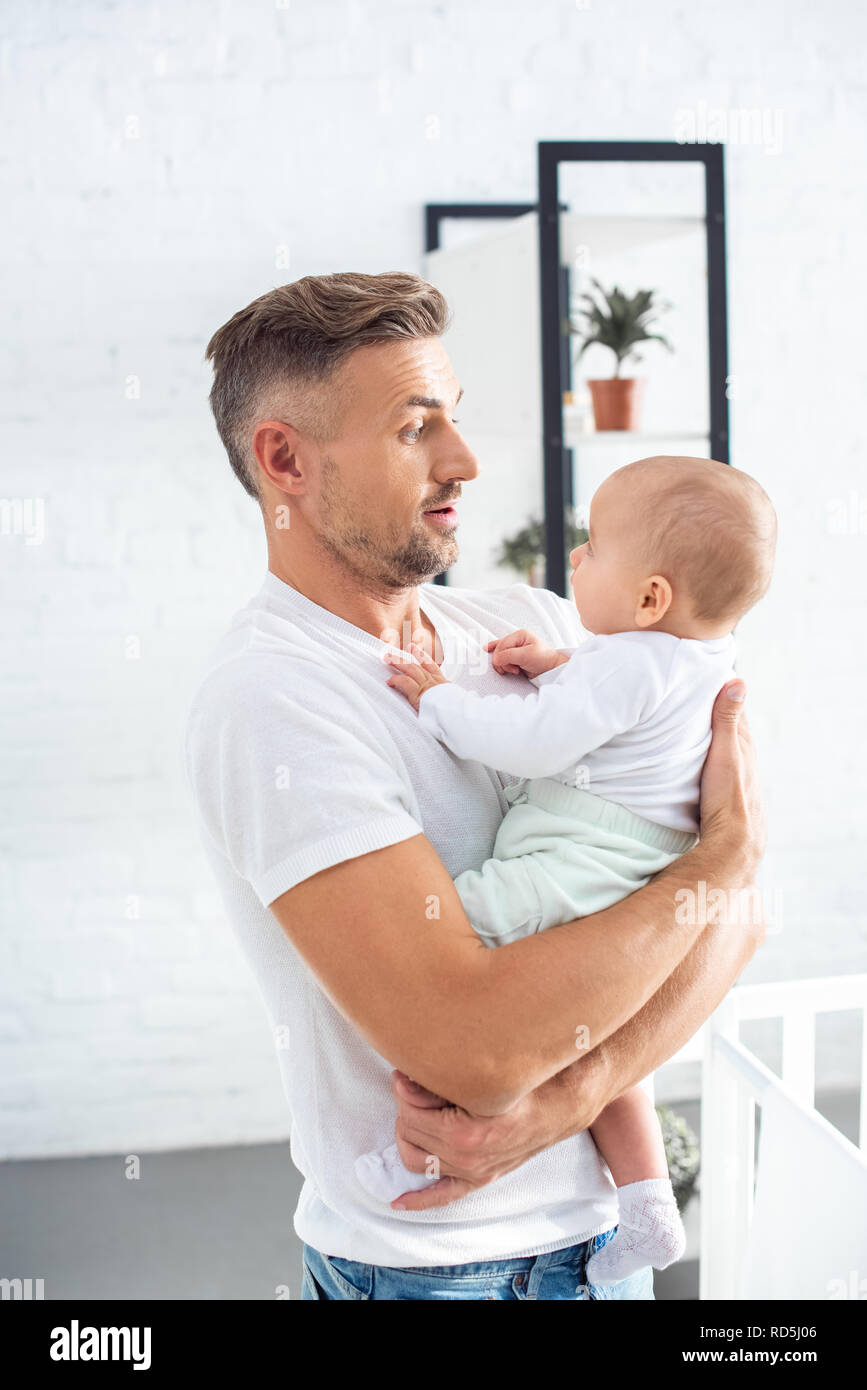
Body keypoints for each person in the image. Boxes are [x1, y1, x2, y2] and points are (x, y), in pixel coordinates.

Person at [184, 271, 766, 1301]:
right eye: (416, 428)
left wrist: (573, 1094)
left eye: (454, 417)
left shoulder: (532, 627)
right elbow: (477, 1054)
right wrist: (726, 854)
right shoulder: (275, 699)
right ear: (285, 460)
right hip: (444, 1271)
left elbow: (740, 922)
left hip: (595, 1247)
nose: (466, 459)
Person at [355, 454, 776, 1287]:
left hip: (582, 853)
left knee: (454, 946)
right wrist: (555, 668)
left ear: (651, 598)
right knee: (602, 1034)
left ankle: (423, 1159)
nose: (576, 558)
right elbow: (634, 714)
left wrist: (438, 696)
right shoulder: (696, 659)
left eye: (593, 545)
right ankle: (649, 1203)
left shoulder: (627, 661)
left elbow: (535, 742)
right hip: (645, 865)